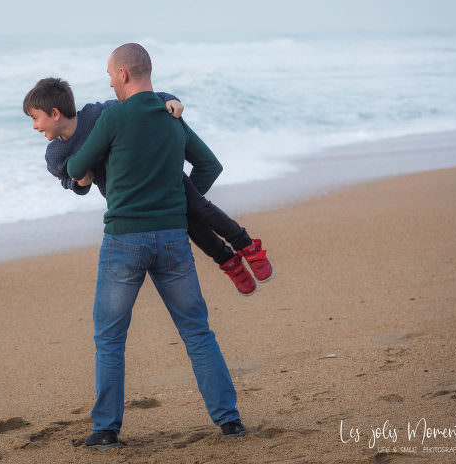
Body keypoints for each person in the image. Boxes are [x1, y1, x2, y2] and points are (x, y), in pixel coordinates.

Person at [67, 43, 250, 449]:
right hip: (172, 239)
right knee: (197, 333)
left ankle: (106, 430)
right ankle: (230, 422)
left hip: (124, 242)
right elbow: (209, 165)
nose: (110, 83)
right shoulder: (171, 117)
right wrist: (178, 203)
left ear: (123, 74)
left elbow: (75, 167)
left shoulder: (114, 117)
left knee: (110, 338)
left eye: (110, 75)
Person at [24, 79, 273, 295]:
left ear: (55, 113)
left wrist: (170, 99)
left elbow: (141, 101)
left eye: (35, 118)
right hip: (128, 198)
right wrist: (78, 183)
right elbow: (67, 180)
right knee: (189, 222)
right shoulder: (55, 154)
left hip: (158, 172)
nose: (34, 126)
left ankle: (246, 244)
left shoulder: (98, 114)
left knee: (199, 209)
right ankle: (228, 261)